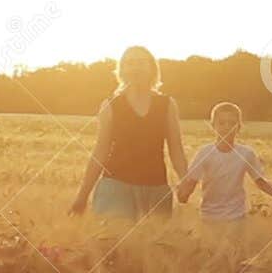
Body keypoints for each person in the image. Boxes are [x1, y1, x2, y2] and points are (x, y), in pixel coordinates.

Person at [70, 46, 189, 219]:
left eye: (141, 62)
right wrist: (82, 196)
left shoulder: (167, 105)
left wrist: (185, 180)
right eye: (130, 63)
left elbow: (176, 149)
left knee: (151, 245)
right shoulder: (110, 105)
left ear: (152, 68)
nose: (135, 67)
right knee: (115, 242)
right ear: (122, 70)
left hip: (156, 188)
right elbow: (100, 152)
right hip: (115, 187)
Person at [176, 102, 272, 222]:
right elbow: (192, 181)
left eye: (232, 123)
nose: (226, 127)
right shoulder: (204, 153)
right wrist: (183, 194)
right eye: (221, 123)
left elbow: (260, 180)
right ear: (213, 125)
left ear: (239, 127)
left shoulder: (247, 153)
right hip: (208, 216)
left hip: (237, 216)